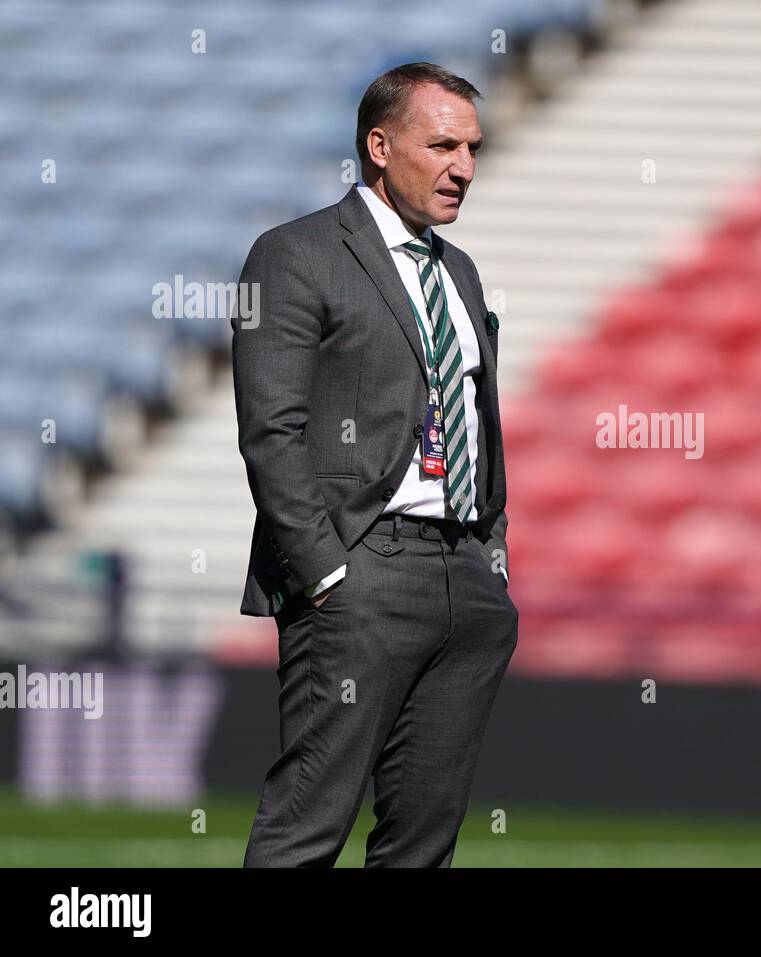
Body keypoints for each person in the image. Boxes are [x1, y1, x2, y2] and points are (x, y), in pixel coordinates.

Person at [232, 62, 517, 867]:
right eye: (443, 144)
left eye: (473, 147)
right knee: (306, 826)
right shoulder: (296, 253)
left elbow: (480, 423)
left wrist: (491, 561)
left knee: (423, 842)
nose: (464, 165)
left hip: (464, 575)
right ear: (381, 146)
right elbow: (270, 430)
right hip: (360, 571)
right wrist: (326, 572)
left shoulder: (457, 268)